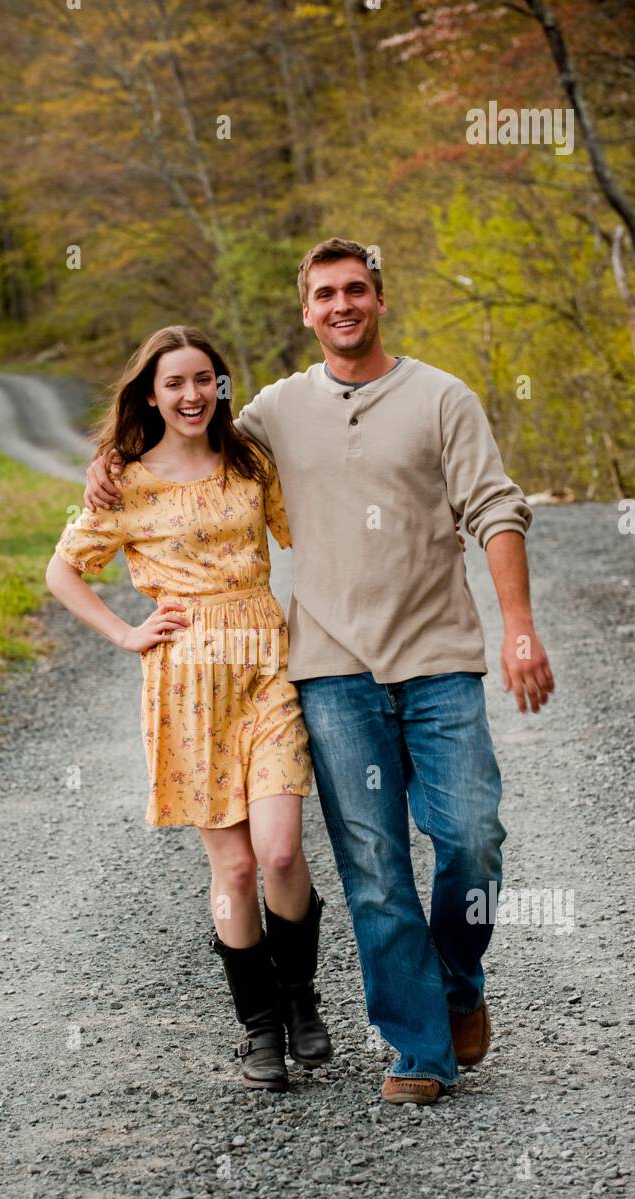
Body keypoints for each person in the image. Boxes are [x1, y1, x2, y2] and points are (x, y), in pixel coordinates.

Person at [84, 238, 555, 1105]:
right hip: (331, 672)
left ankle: (456, 986)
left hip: (438, 659)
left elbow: (495, 506)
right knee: (373, 867)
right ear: (305, 312)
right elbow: (189, 442)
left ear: (379, 299)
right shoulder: (273, 413)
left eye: (356, 290)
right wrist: (112, 461)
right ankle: (416, 1050)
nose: (341, 305)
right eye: (324, 294)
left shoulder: (441, 397)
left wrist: (518, 629)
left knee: (471, 842)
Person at [45, 324, 334, 1094]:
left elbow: (309, 529)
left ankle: (301, 995)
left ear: (219, 385)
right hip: (185, 687)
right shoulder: (125, 484)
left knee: (278, 852)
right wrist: (128, 634)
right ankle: (259, 1030)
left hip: (265, 668)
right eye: (173, 383)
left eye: (203, 378)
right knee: (234, 868)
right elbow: (62, 571)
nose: (190, 394)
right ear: (150, 393)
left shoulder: (249, 461)